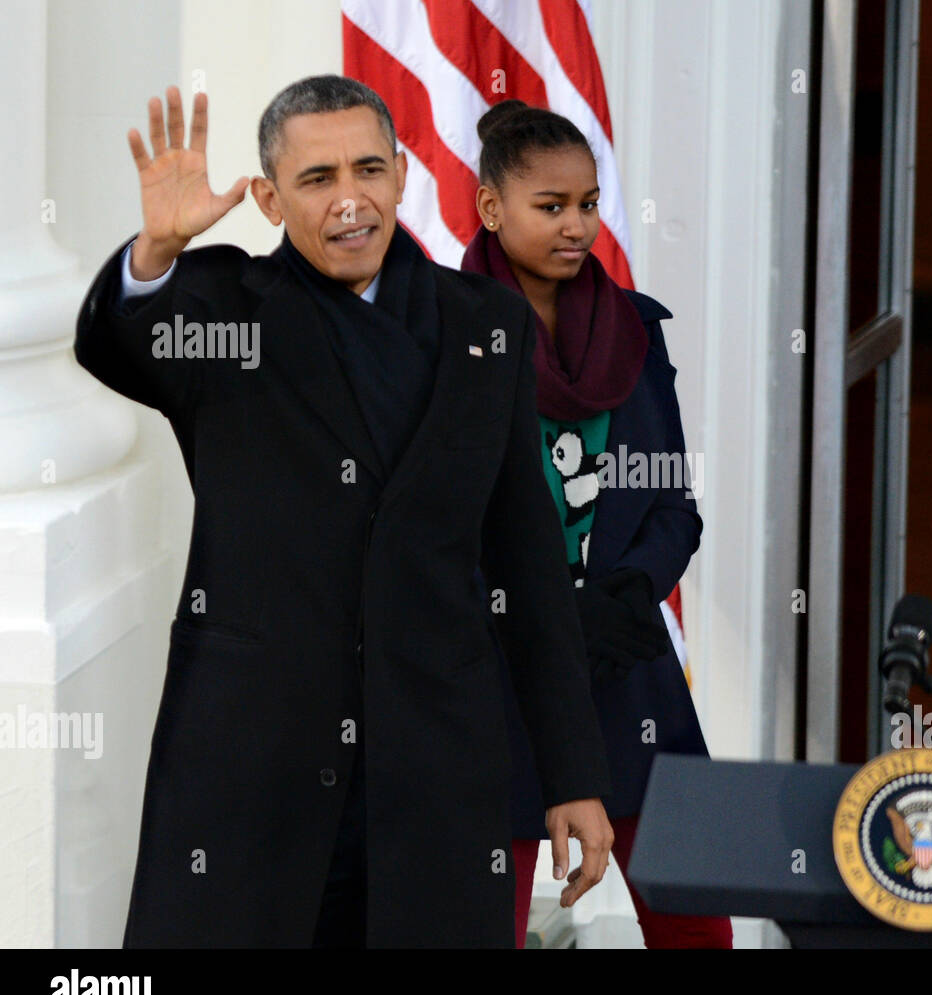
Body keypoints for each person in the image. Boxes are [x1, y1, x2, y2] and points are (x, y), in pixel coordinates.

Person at [73, 76, 615, 948]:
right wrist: (153, 257)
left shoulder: (491, 324)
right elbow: (115, 343)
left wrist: (573, 773)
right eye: (317, 179)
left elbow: (530, 563)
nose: (349, 199)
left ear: (405, 173)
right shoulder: (223, 312)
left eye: (369, 168)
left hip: (433, 767)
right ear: (267, 196)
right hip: (256, 766)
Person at [461, 100, 732, 948]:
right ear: (491, 207)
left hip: (622, 664)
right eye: (551, 206)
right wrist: (528, 614)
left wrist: (625, 594)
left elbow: (673, 508)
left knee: (695, 921)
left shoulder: (638, 333)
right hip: (492, 671)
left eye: (588, 203)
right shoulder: (443, 335)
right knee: (478, 925)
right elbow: (426, 522)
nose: (576, 225)